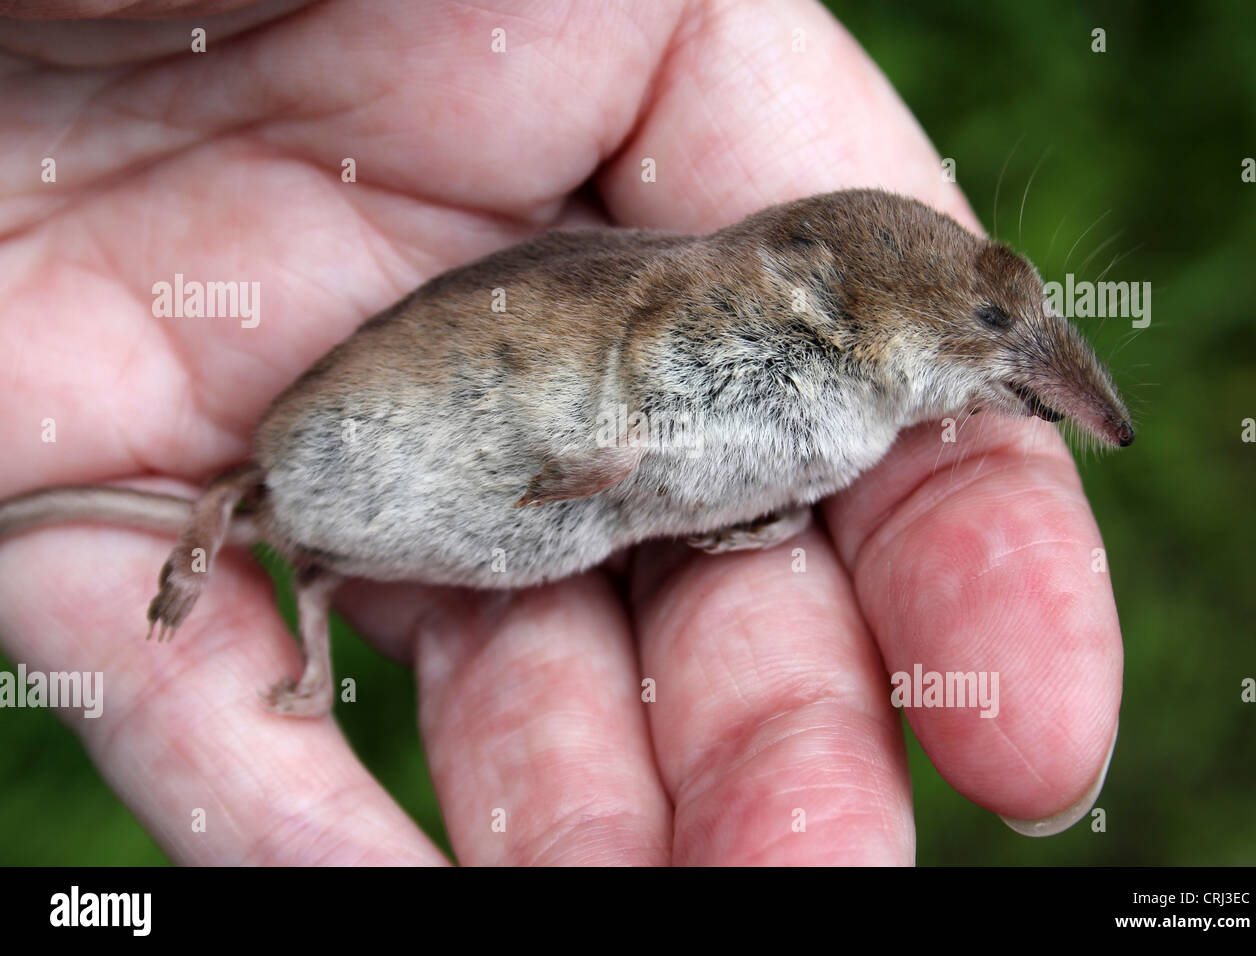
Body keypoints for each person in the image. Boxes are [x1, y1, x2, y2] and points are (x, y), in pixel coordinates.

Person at [0, 0, 1121, 864]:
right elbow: (652, 346)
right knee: (287, 486)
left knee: (321, 533)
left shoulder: (854, 431)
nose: (1025, 376)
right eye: (983, 328)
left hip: (513, 519)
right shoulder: (744, 301)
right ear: (825, 299)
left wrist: (769, 503)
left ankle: (298, 573)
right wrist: (629, 438)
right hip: (420, 407)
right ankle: (221, 512)